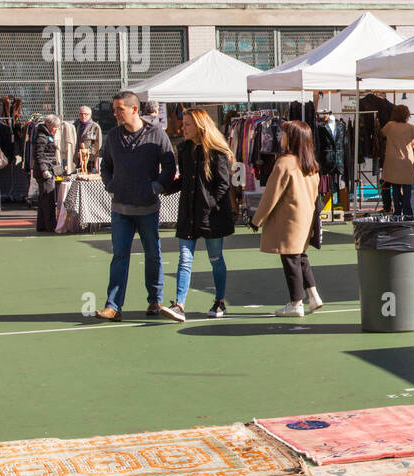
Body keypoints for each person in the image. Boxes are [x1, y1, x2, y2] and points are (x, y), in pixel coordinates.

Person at [94, 91, 178, 321]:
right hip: (120, 208)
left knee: (153, 255)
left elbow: (170, 166)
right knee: (119, 257)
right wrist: (111, 184)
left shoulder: (157, 134)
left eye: (119, 109)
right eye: (114, 109)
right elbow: (106, 166)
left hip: (148, 208)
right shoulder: (112, 136)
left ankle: (155, 300)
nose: (115, 114)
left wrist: (156, 187)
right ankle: (113, 306)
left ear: (134, 109)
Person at [160, 109, 234, 322]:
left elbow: (222, 185)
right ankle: (179, 305)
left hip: (211, 216)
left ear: (200, 126)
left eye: (188, 125)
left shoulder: (216, 151)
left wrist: (209, 205)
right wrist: (162, 187)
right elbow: (185, 179)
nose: (183, 128)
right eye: (184, 124)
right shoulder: (184, 149)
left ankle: (220, 301)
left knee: (215, 258)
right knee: (185, 258)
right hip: (188, 213)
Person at [250, 120, 323, 317]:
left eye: (283, 134)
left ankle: (296, 303)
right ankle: (313, 295)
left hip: (289, 219)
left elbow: (271, 196)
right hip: (306, 218)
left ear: (292, 138)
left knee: (290, 259)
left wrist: (256, 220)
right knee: (300, 257)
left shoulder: (284, 163)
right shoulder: (311, 165)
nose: (279, 137)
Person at [381, 104, 414, 216]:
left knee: (395, 187)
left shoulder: (389, 126)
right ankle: (407, 211)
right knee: (407, 188)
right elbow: (413, 144)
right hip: (407, 161)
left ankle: (397, 211)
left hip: (392, 161)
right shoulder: (411, 127)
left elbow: (382, 134)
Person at [33, 114, 61, 232]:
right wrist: (44, 169)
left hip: (47, 169)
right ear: (49, 125)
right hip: (45, 171)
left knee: (43, 199)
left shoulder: (46, 135)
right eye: (55, 127)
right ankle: (50, 225)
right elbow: (39, 155)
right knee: (48, 199)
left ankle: (42, 225)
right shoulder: (42, 136)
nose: (56, 129)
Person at [74, 105, 102, 173]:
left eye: (86, 114)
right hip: (77, 159)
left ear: (90, 115)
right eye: (81, 114)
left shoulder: (95, 127)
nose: (83, 116)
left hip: (90, 160)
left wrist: (87, 153)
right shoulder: (75, 125)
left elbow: (98, 145)